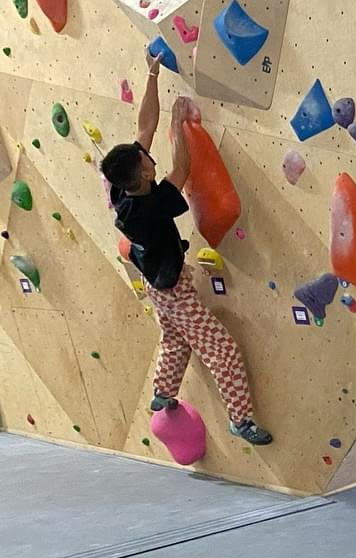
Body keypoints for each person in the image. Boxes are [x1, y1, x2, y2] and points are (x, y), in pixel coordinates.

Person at [100, 54, 270, 445]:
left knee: (176, 338)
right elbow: (181, 167)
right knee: (221, 349)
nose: (147, 152)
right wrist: (180, 127)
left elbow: (144, 124)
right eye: (145, 158)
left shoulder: (121, 187)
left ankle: (163, 391)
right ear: (145, 173)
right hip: (172, 288)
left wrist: (152, 72)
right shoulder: (153, 206)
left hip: (154, 282)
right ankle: (240, 420)